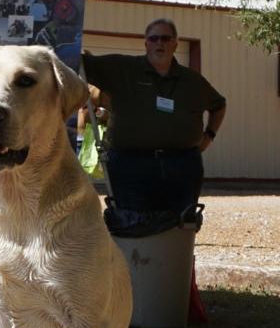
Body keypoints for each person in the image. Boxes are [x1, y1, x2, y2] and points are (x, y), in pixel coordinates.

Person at [82, 18, 227, 214]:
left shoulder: (192, 81)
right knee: (132, 224)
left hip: (181, 166)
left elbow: (219, 105)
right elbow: (78, 62)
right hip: (130, 166)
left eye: (166, 38)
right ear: (146, 44)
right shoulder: (122, 69)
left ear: (175, 44)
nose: (160, 43)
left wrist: (209, 136)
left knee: (180, 224)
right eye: (154, 38)